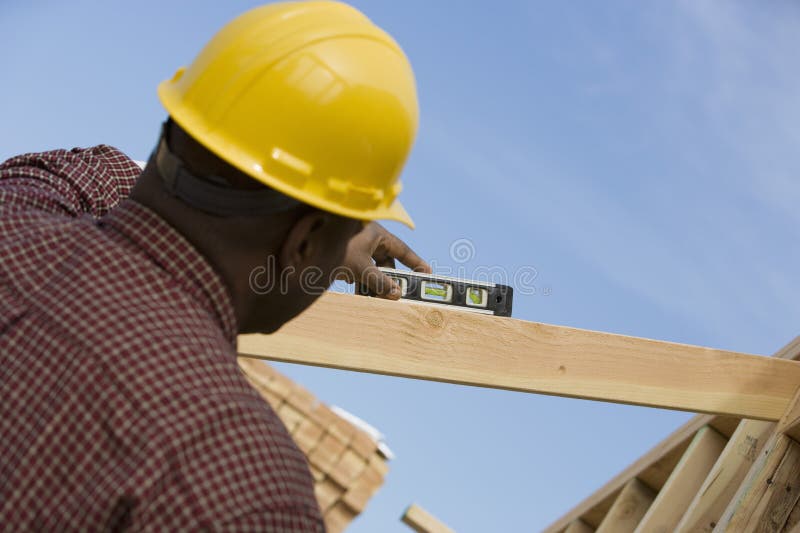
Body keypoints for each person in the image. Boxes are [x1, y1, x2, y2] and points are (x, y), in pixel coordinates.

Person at [0, 1, 428, 530]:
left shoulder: (14, 218)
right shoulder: (250, 488)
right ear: (309, 238)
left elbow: (62, 176)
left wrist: (198, 170)